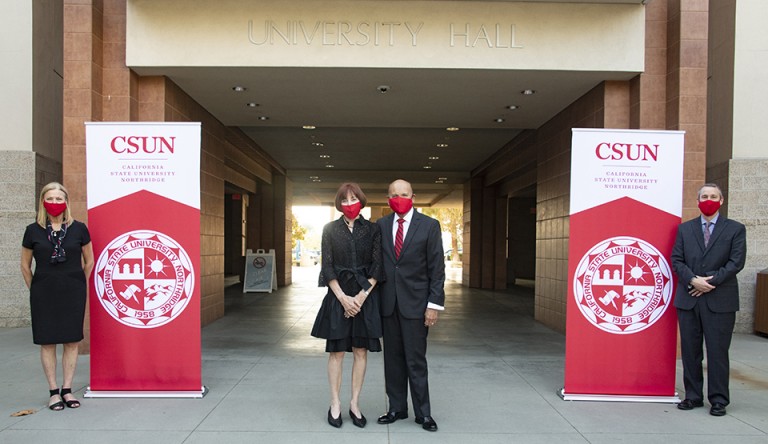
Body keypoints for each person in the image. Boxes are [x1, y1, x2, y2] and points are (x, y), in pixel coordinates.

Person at [311, 183, 383, 428]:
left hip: (365, 296)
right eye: (345, 199)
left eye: (354, 198)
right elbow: (327, 266)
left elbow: (377, 267)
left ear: (361, 201)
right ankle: (335, 404)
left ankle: (354, 403)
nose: (350, 203)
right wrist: (343, 297)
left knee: (361, 351)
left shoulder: (373, 230)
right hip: (337, 295)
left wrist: (361, 297)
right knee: (337, 352)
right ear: (339, 203)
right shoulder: (329, 229)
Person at [376, 179, 445, 432]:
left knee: (415, 360)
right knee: (392, 360)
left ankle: (423, 413)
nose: (399, 198)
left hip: (416, 305)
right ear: (388, 199)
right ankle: (397, 408)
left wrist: (434, 305)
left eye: (403, 194)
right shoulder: (381, 226)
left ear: (413, 196)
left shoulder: (429, 226)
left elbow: (437, 269)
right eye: (394, 194)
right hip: (388, 305)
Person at [672, 183, 746, 417]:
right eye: (704, 196)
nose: (709, 200)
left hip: (720, 301)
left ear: (721, 201)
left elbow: (736, 263)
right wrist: (693, 280)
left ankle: (718, 400)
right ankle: (693, 396)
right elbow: (677, 260)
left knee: (717, 351)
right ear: (698, 201)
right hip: (689, 299)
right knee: (691, 351)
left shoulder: (735, 229)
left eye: (713, 196)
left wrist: (709, 282)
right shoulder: (685, 230)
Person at [20, 182, 94, 411]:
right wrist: (36, 288)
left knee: (71, 341)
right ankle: (53, 392)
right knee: (48, 341)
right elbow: (25, 265)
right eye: (50, 199)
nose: (54, 203)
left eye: (58, 199)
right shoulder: (33, 230)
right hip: (44, 292)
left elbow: (89, 260)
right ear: (43, 201)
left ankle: (68, 389)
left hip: (72, 291)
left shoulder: (79, 228)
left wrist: (79, 282)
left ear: (66, 202)